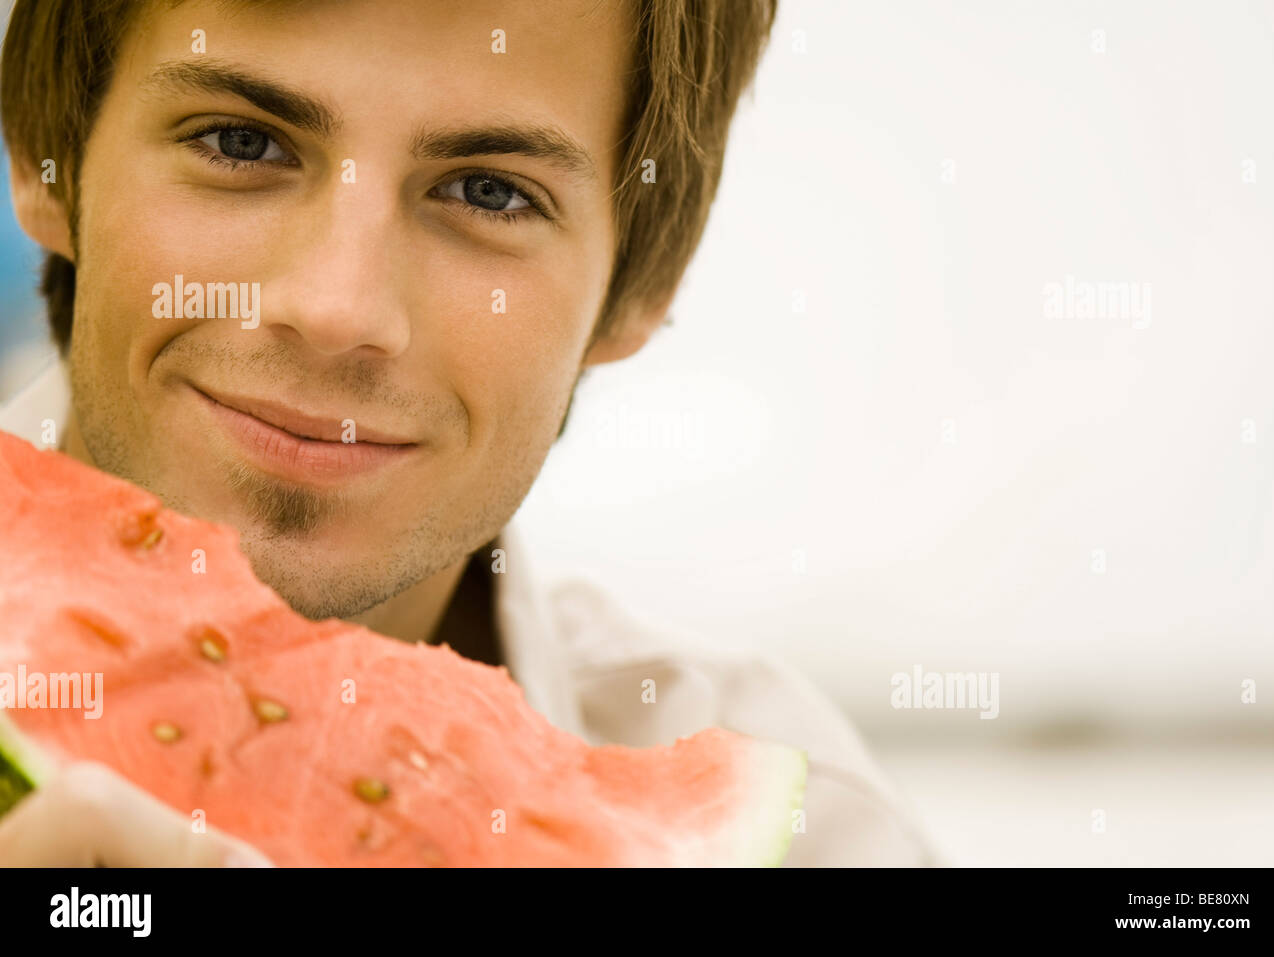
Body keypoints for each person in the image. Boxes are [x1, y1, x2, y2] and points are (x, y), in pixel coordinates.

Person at [0, 0, 938, 866]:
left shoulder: (826, 835)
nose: (337, 308)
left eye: (490, 193)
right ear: (45, 156)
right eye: (241, 141)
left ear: (638, 290)